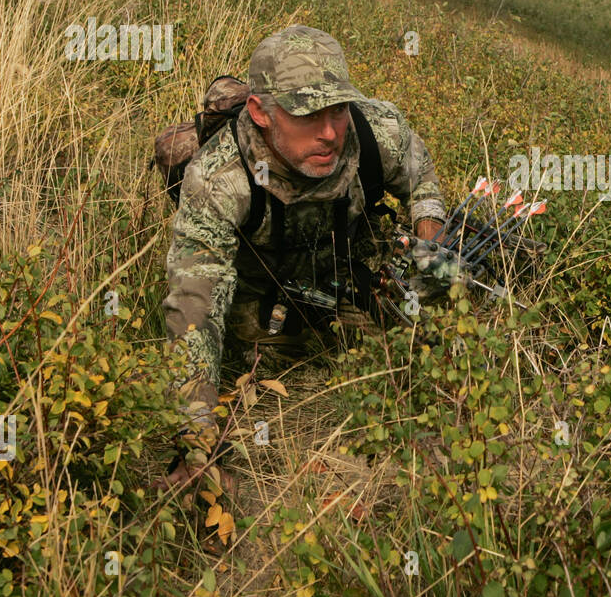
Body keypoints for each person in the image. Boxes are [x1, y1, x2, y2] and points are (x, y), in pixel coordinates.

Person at [155, 25, 446, 493]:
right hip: (263, 287)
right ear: (261, 112)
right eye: (308, 115)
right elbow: (195, 310)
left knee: (415, 338)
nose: (330, 132)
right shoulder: (218, 180)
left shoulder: (377, 130)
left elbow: (423, 180)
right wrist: (196, 443)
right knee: (258, 353)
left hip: (344, 270)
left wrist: (431, 246)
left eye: (337, 109)